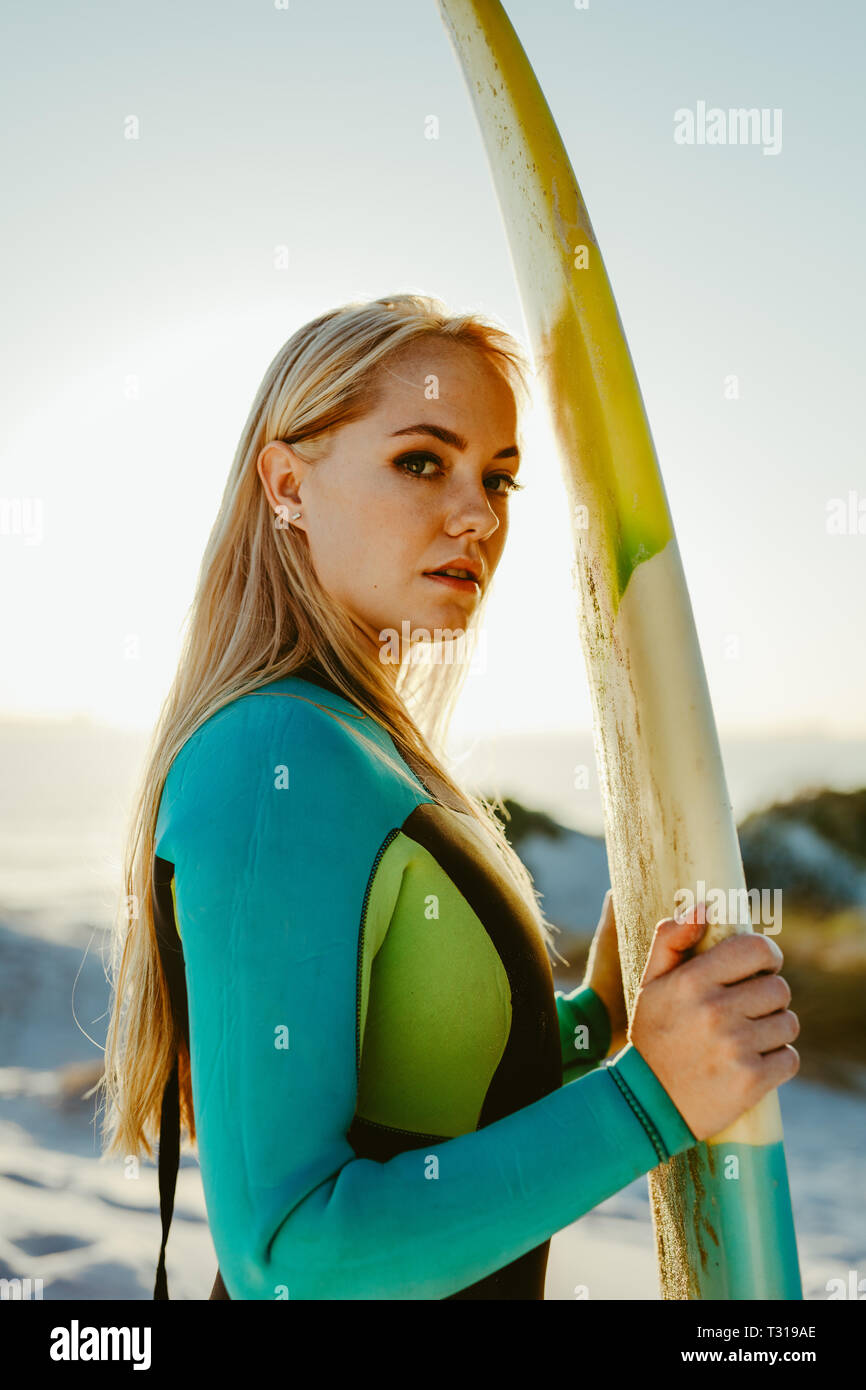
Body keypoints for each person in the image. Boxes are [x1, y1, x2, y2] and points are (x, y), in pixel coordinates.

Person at [98, 293, 799, 1300]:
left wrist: (595, 1019)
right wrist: (648, 1101)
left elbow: (421, 1094)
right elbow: (286, 1256)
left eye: (499, 478)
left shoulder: (357, 744)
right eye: (422, 460)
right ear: (287, 484)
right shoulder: (270, 754)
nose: (478, 513)